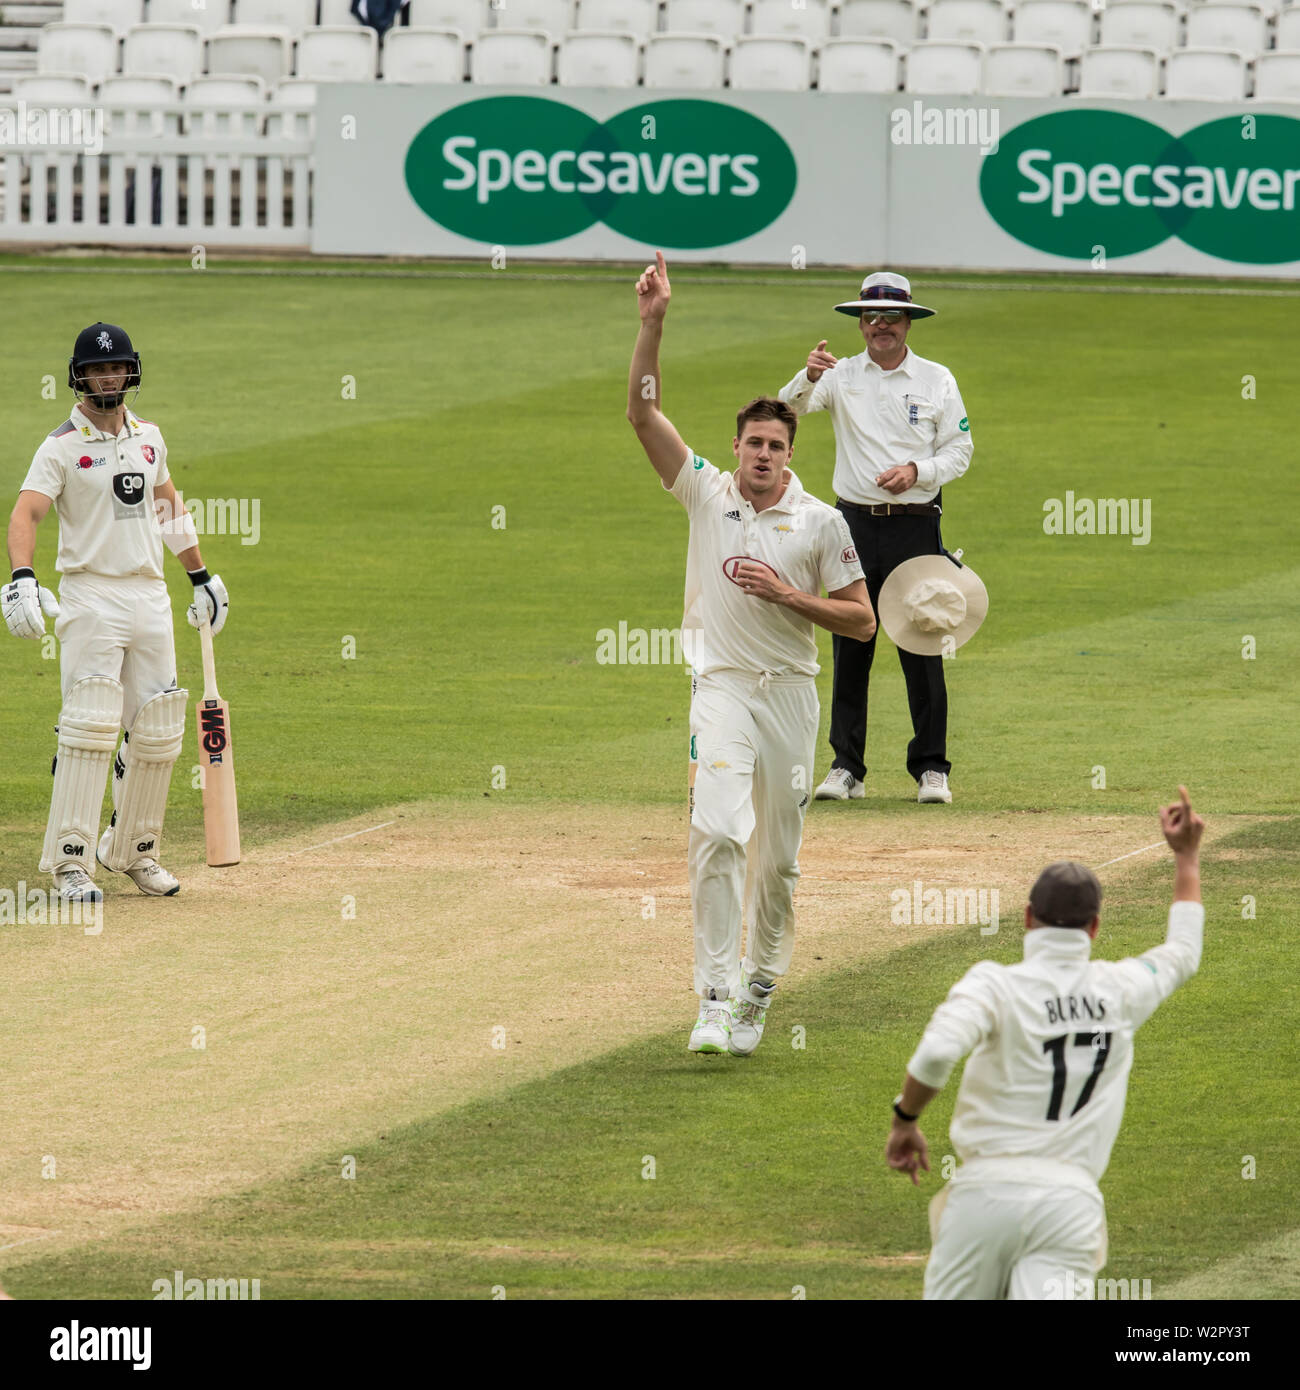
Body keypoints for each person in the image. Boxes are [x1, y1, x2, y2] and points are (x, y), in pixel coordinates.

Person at [627, 252, 875, 1057]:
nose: (763, 455)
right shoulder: (706, 491)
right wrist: (653, 324)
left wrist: (788, 597)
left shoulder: (822, 523)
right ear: (734, 447)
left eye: (776, 444)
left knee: (778, 864)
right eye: (752, 443)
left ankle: (759, 989)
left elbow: (863, 623)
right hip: (722, 686)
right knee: (718, 832)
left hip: (792, 696)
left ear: (789, 451)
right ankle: (712, 994)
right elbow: (641, 415)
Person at [885, 787, 1205, 1299]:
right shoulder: (1121, 988)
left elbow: (937, 1053)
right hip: (1069, 1204)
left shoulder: (993, 984)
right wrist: (1185, 857)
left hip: (983, 1197)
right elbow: (1184, 952)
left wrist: (906, 1121)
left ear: (1027, 917)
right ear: (1095, 927)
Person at [3, 322, 229, 903]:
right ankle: (70, 862)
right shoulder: (60, 446)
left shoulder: (149, 436)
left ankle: (133, 850)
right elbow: (26, 514)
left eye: (117, 367)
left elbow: (168, 505)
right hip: (90, 595)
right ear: (79, 376)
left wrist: (200, 575)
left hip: (148, 594)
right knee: (91, 725)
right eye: (98, 369)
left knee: (157, 728)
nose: (108, 376)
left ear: (131, 371)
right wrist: (22, 578)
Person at [778, 272, 972, 805]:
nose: (880, 325)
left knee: (922, 641)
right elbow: (785, 412)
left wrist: (918, 470)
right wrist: (807, 374)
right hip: (852, 524)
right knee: (850, 643)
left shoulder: (937, 379)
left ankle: (932, 768)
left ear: (908, 322)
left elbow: (960, 451)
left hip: (915, 521)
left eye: (890, 317)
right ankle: (847, 767)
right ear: (860, 325)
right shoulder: (839, 376)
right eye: (870, 317)